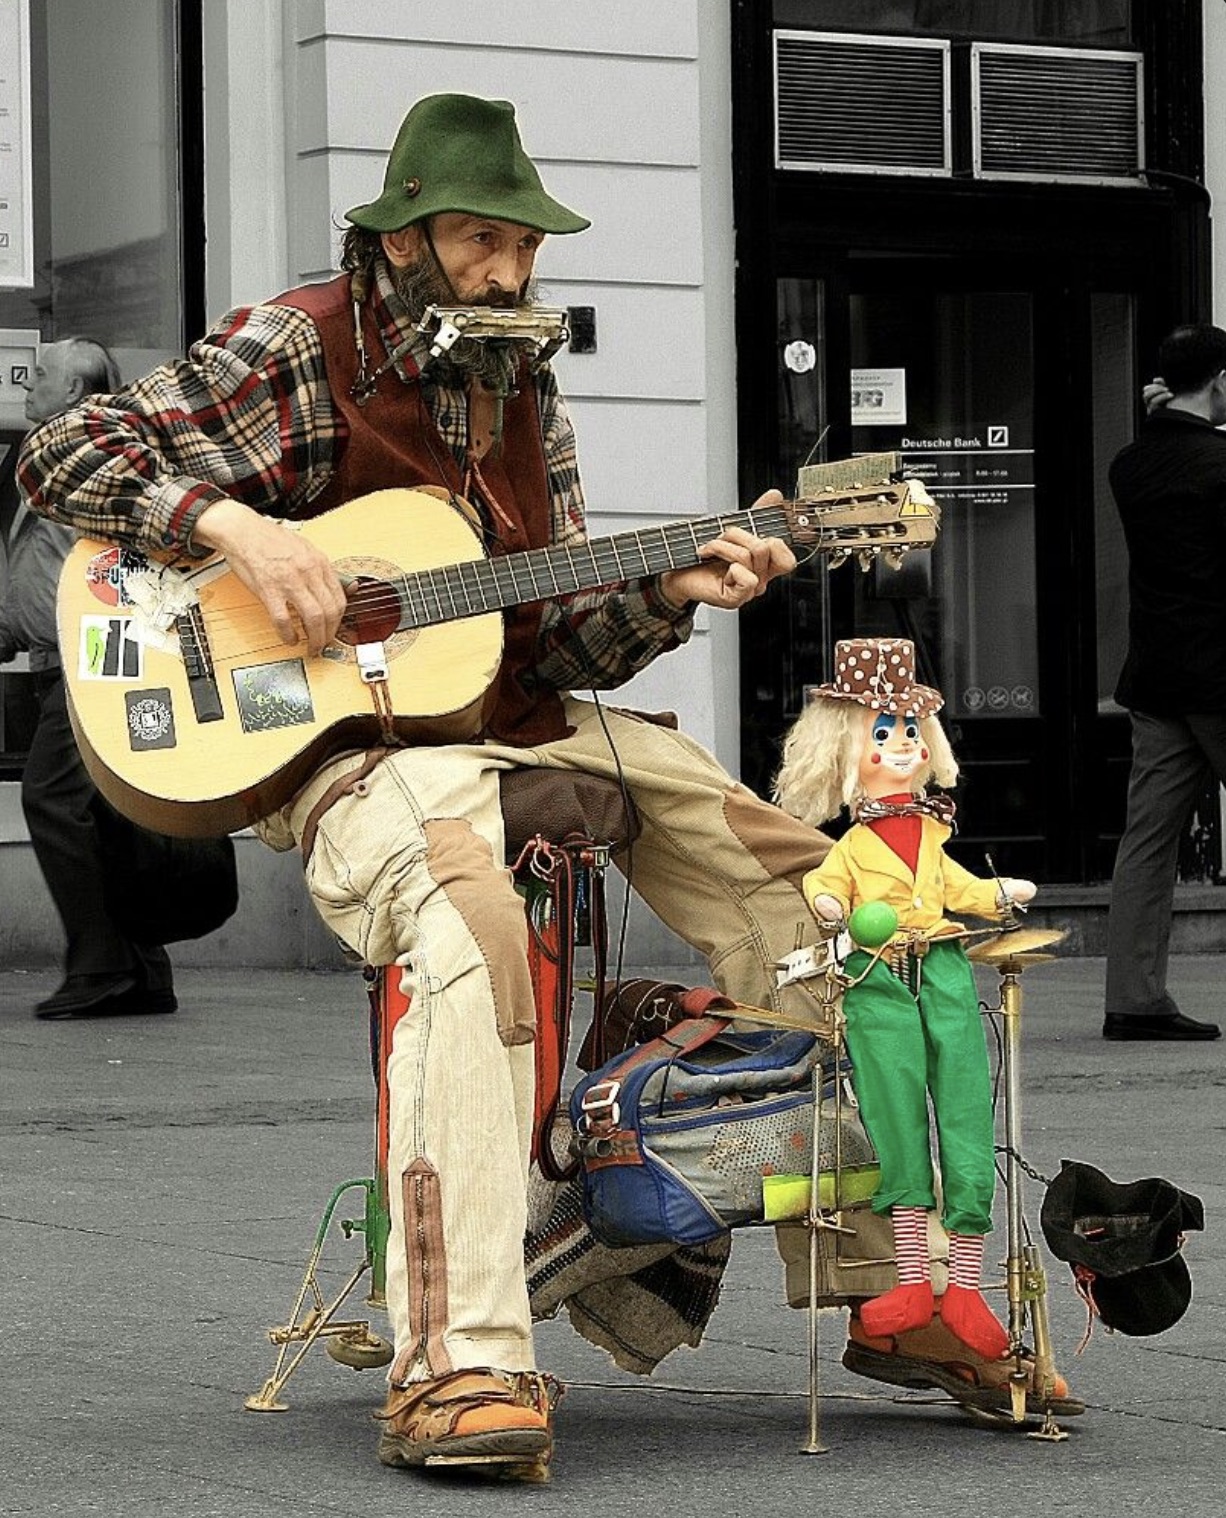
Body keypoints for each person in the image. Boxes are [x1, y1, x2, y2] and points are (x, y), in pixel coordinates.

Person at [18, 93, 1059, 1472]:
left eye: (522, 245)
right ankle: (459, 1361)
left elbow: (550, 636)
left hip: (524, 721)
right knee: (472, 930)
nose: (507, 272)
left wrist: (670, 592)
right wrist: (244, 533)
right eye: (478, 241)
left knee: (839, 902)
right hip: (354, 756)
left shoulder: (524, 384)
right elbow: (65, 452)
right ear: (400, 239)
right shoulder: (301, 342)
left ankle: (896, 1285)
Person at [774, 638, 1035, 1360]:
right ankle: (916, 1283)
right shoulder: (855, 846)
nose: (899, 745)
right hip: (878, 979)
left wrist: (996, 895)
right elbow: (824, 882)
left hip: (943, 969)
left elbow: (958, 887)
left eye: (908, 731)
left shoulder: (931, 832)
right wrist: (830, 905)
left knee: (965, 1112)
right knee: (895, 1117)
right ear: (845, 753)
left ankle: (967, 1288)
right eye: (881, 733)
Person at [0, 337, 176, 1020]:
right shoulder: (41, 456)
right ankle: (143, 970)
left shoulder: (99, 455)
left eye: (41, 375)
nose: (27, 383)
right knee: (106, 811)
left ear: (75, 390)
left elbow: (124, 557)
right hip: (63, 658)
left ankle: (102, 965)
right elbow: (39, 569)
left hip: (99, 657)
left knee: (51, 796)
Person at [1103, 322, 1226, 1042]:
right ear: (1220, 382)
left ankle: (1133, 999)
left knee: (1147, 842)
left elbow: (1170, 455)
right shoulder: (1218, 464)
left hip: (1156, 677)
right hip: (1219, 676)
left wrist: (1166, 417)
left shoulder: (1130, 464)